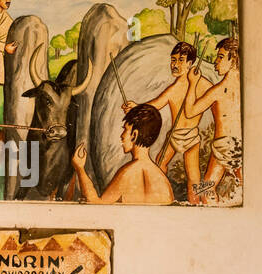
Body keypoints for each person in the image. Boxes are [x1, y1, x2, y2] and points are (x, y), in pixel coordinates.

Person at [124, 41, 209, 203]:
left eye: (180, 60)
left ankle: (197, 205)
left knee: (193, 176)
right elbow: (156, 104)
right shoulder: (173, 88)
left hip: (191, 135)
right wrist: (136, 107)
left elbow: (216, 97)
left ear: (190, 63)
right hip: (175, 135)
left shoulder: (202, 84)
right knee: (159, 164)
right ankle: (161, 199)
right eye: (173, 60)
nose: (175, 65)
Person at [70, 103, 173, 205]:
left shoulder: (127, 173)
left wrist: (80, 168)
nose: (122, 136)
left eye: (125, 129)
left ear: (134, 135)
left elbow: (96, 203)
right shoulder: (163, 180)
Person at [182, 38, 242, 204]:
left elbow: (189, 111)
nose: (216, 62)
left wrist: (192, 84)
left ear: (233, 59)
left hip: (224, 147)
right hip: (236, 146)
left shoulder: (218, 91)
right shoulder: (244, 88)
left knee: (206, 190)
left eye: (221, 57)